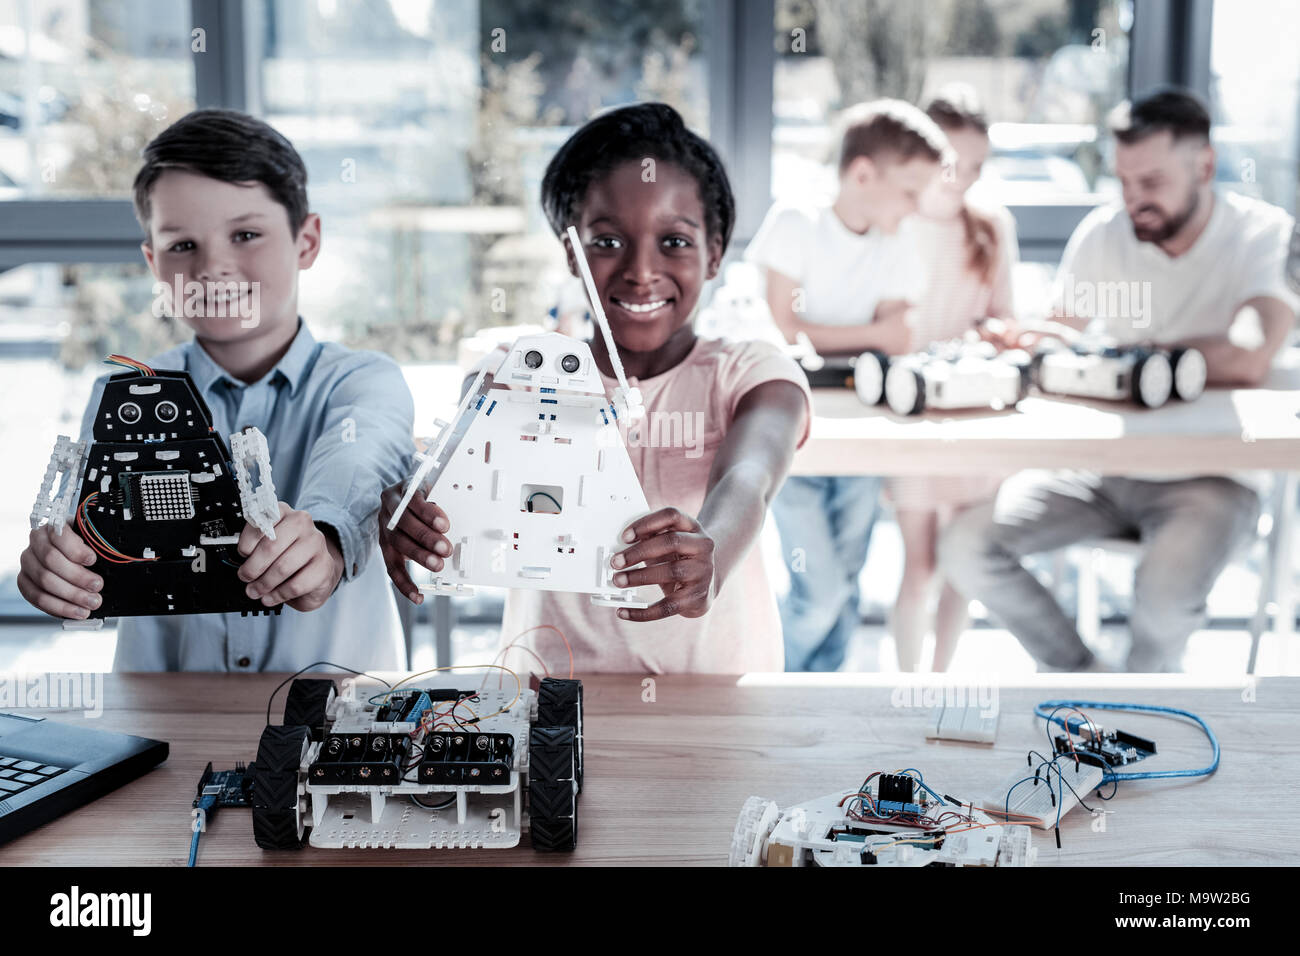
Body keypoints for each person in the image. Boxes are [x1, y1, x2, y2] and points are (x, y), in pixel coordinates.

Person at [380, 103, 811, 673]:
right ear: (571, 253)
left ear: (716, 252)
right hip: (542, 693)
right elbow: (450, 463)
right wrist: (415, 504)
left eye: (675, 242)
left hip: (717, 694)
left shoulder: (753, 375)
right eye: (607, 242)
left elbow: (749, 479)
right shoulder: (514, 373)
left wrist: (713, 549)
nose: (640, 270)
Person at [17, 109, 415, 671]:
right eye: (182, 246)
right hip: (164, 731)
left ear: (307, 240)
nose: (213, 269)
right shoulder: (122, 397)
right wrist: (58, 568)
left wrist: (325, 539)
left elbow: (358, 458)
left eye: (246, 234)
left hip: (334, 731)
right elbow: (84, 535)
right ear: (154, 263)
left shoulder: (365, 382)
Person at [939, 89, 1299, 672]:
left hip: (1211, 476)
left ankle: (1141, 704)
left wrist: (1129, 357)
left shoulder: (1263, 235)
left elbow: (1248, 352)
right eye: (1124, 182)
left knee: (1160, 604)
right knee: (965, 547)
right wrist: (1025, 339)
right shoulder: (1105, 232)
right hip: (1100, 466)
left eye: (1152, 182)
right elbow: (1060, 333)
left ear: (1204, 165)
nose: (1135, 200)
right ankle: (1086, 680)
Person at [745, 99, 947, 671]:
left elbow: (900, 336)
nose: (915, 208)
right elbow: (784, 326)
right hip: (797, 433)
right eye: (909, 192)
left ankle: (816, 703)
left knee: (848, 583)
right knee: (820, 591)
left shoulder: (898, 243)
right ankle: (776, 681)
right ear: (862, 173)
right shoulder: (797, 223)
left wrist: (822, 333)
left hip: (865, 436)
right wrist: (867, 335)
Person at [888, 86, 1019, 672]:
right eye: (950, 164)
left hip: (973, 421)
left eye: (976, 167)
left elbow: (1005, 318)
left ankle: (939, 684)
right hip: (913, 422)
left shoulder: (993, 226)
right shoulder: (898, 225)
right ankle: (908, 690)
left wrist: (994, 336)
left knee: (959, 572)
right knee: (919, 567)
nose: (963, 178)